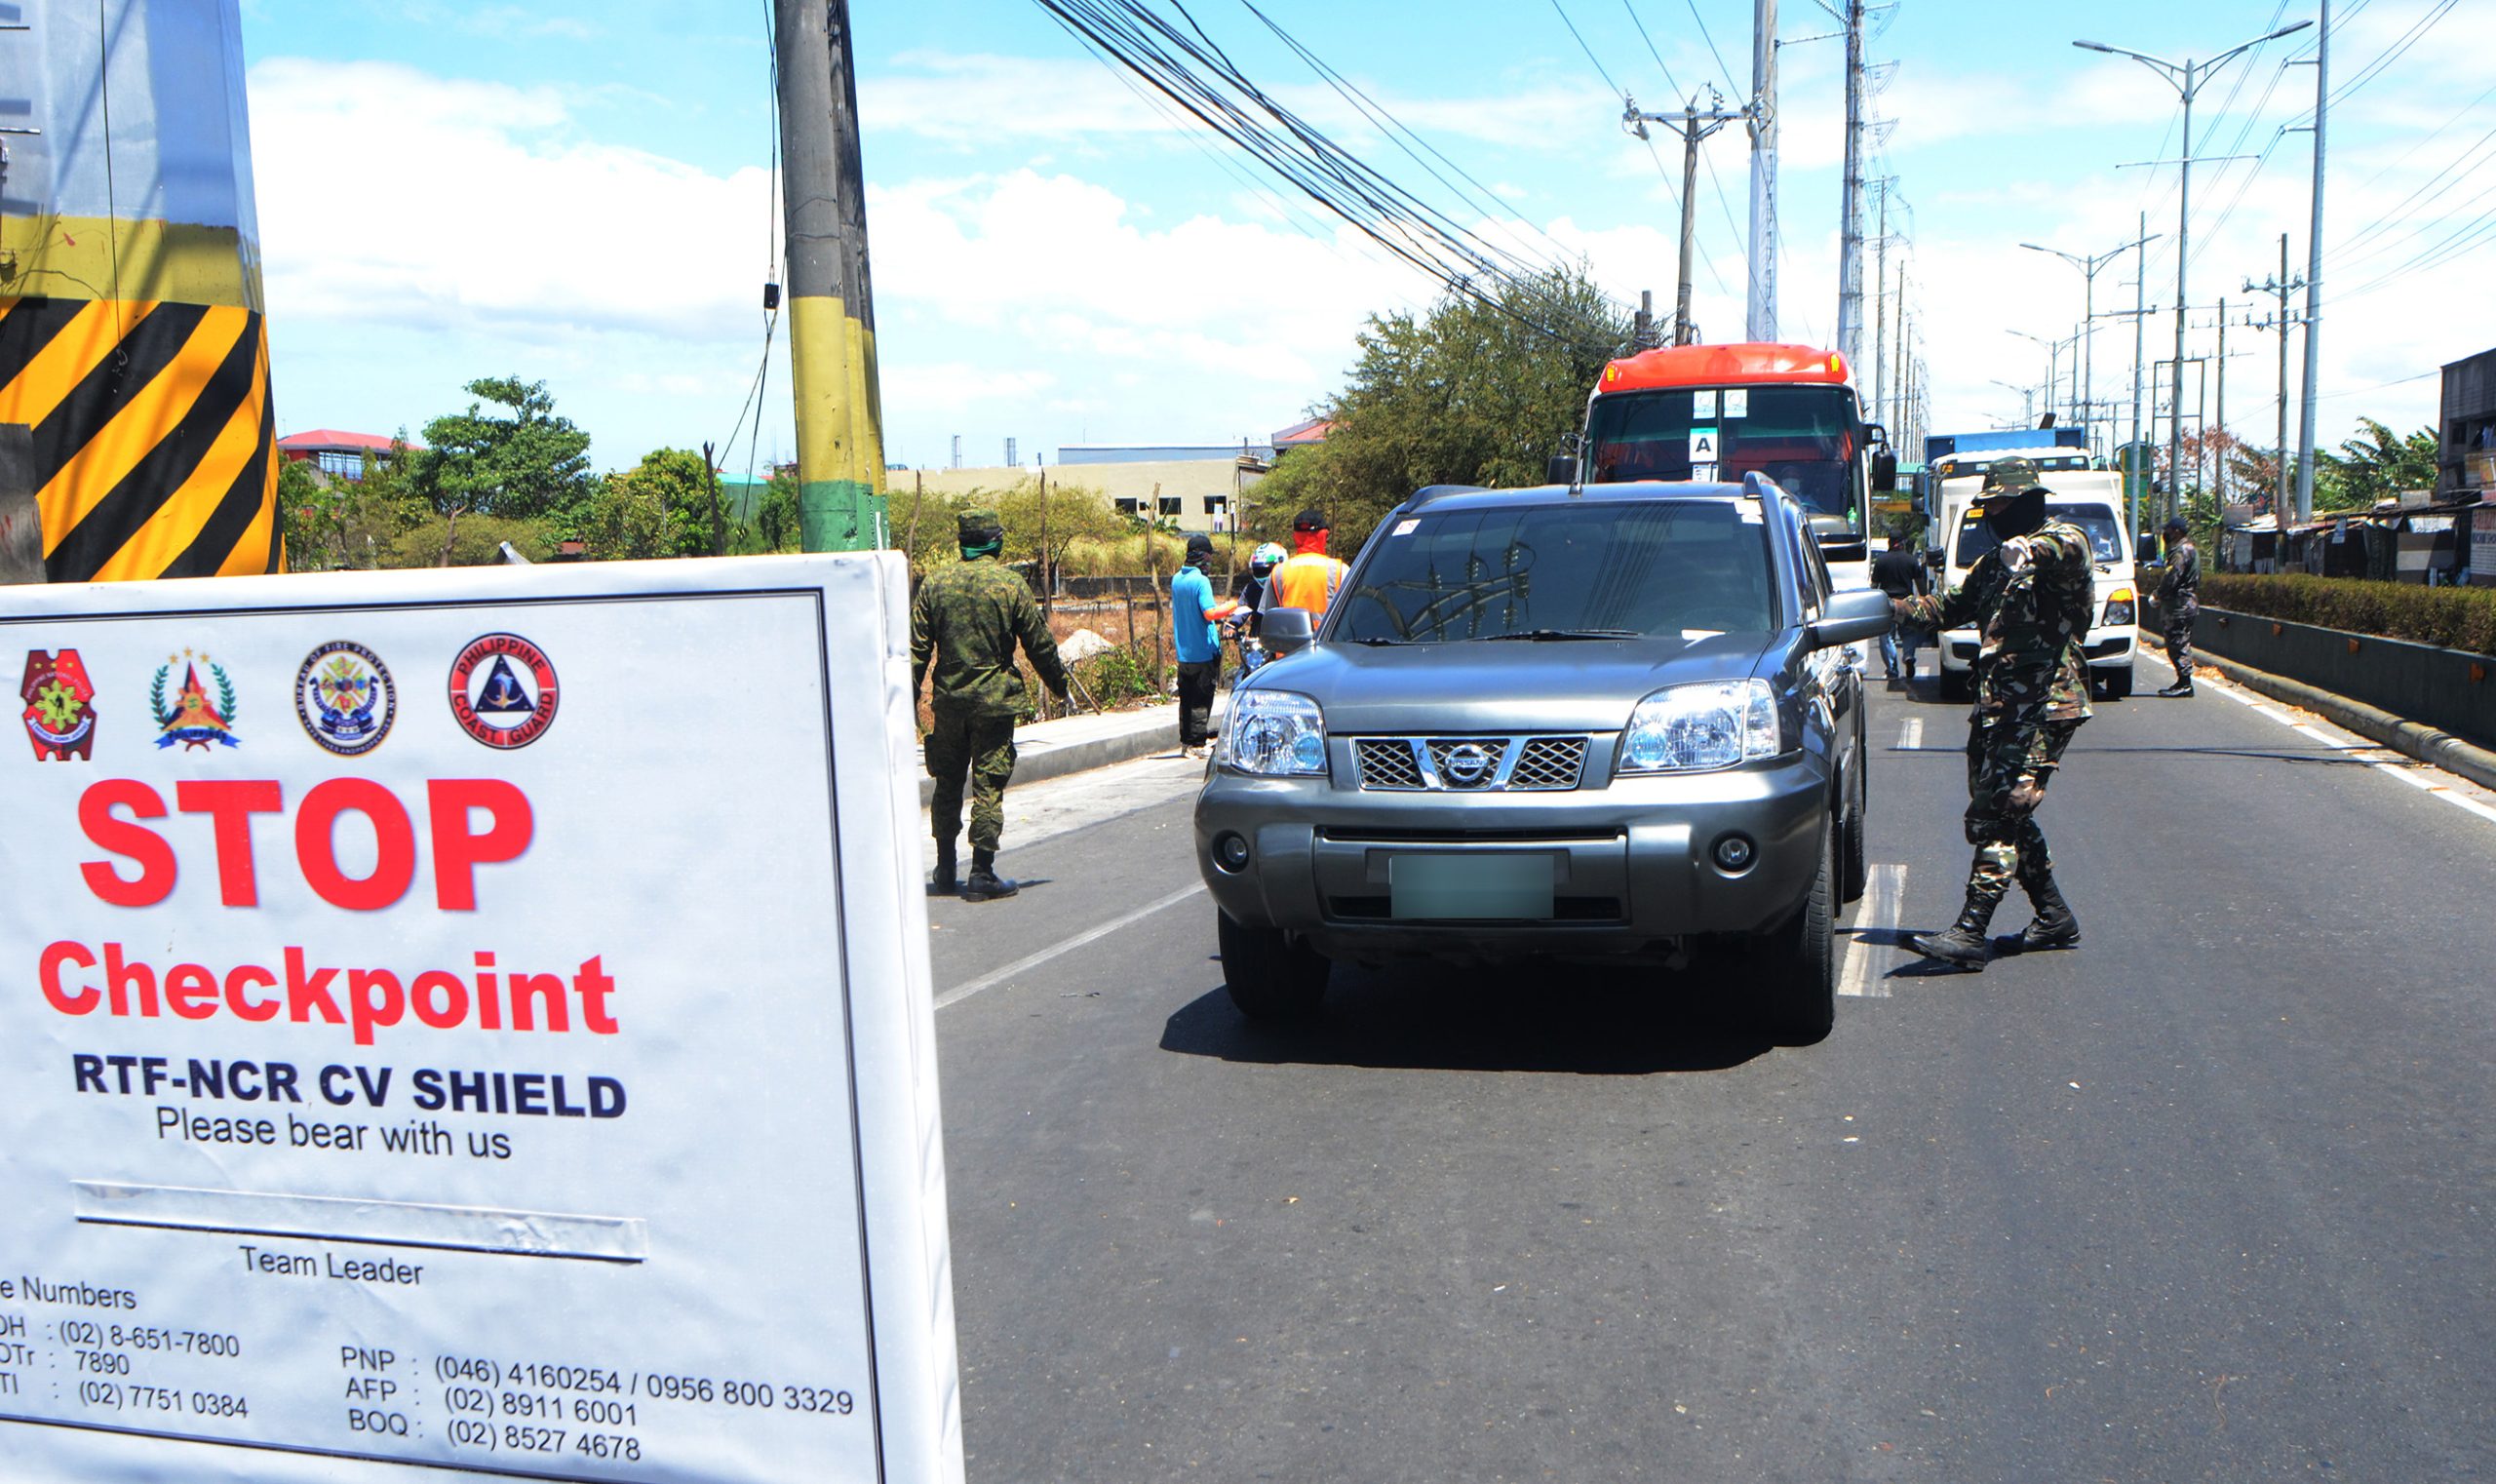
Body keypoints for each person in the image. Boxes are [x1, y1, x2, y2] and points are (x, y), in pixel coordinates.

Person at [1889, 458, 2096, 969]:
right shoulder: (1992, 566)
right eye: (1990, 506)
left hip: (2045, 705)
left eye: (2001, 505)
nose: (1993, 515)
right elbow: (1947, 607)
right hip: (1998, 706)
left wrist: (2030, 550)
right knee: (2002, 810)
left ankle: (1970, 930)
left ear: (2028, 502)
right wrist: (1890, 609)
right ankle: (2054, 915)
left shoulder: (2059, 544)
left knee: (1998, 811)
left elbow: (2067, 547)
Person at [912, 508, 1069, 902]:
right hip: (995, 705)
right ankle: (981, 872)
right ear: (995, 541)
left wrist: (904, 702)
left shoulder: (934, 585)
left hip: (949, 703)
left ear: (962, 542)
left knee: (947, 782)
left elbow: (915, 652)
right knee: (988, 784)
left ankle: (945, 867)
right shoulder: (1010, 585)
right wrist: (1059, 685)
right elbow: (1039, 644)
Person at [1171, 532, 1222, 759]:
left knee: (1186, 700)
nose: (1210, 561)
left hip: (1184, 652)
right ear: (1203, 556)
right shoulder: (1201, 581)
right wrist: (1231, 607)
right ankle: (1198, 744)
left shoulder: (1176, 579)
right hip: (1203, 651)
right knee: (1201, 699)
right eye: (1209, 556)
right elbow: (1209, 613)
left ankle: (1186, 743)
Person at [1268, 508, 1350, 617]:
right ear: (1324, 535)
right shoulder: (1340, 571)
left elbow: (1269, 617)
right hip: (1327, 630)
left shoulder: (1278, 572)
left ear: (1295, 536)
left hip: (1287, 629)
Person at [1870, 532, 1930, 684]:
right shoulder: (1911, 560)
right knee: (1909, 632)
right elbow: (1920, 584)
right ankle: (1908, 655)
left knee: (1887, 637)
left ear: (1889, 542)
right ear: (1903, 543)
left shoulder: (1881, 561)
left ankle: (1892, 670)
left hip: (1887, 604)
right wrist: (1925, 598)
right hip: (1906, 603)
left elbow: (1874, 586)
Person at [2153, 516, 2200, 697]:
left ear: (2177, 532)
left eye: (2169, 530)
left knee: (2177, 642)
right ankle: (2182, 681)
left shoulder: (2180, 551)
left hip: (2179, 604)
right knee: (2179, 640)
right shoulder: (2190, 548)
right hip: (2186, 602)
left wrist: (2158, 593)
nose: (2166, 534)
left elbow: (2172, 577)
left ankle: (2185, 684)